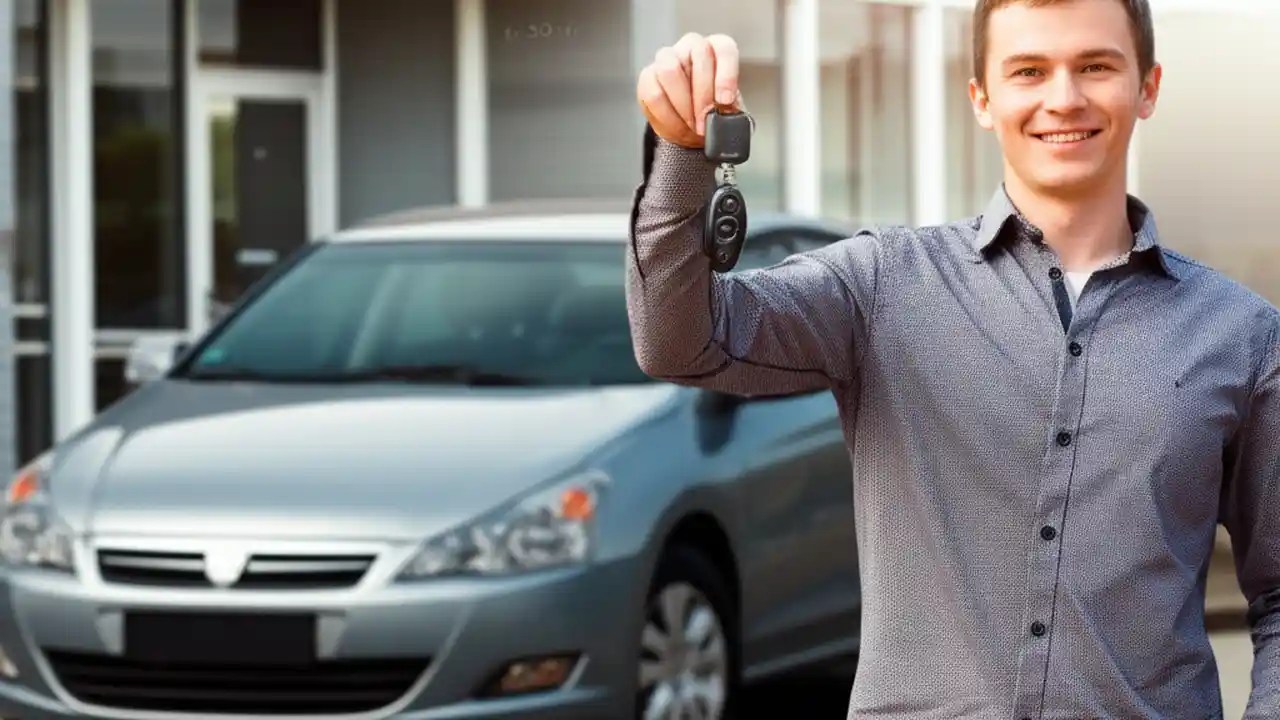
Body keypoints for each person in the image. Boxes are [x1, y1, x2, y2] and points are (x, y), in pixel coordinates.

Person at [626, 0, 1278, 718]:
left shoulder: (1243, 338)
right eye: (1029, 70)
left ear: (1147, 86)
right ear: (981, 99)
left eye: (1095, 65)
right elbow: (682, 341)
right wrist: (683, 155)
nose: (1063, 97)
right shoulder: (882, 286)